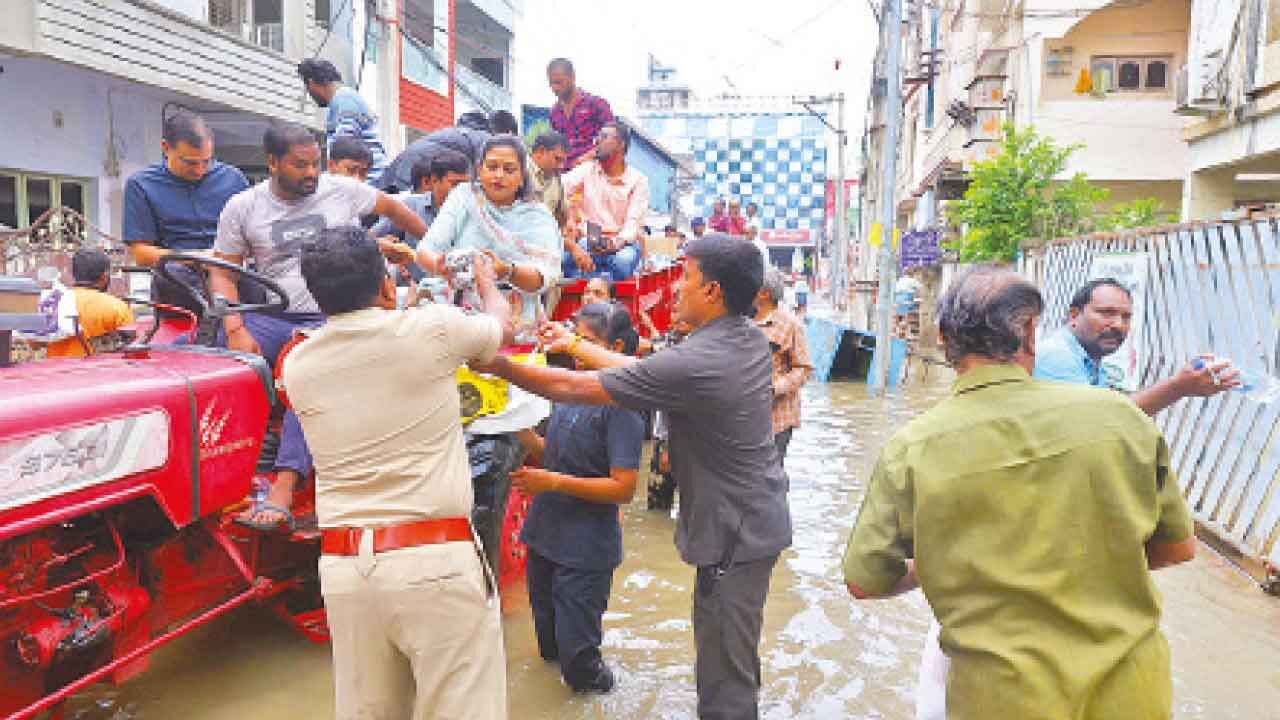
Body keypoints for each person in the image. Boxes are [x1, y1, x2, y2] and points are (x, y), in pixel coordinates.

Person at [842, 265, 1196, 720]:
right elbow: (1177, 547)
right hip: (1131, 694)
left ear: (945, 337)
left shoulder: (912, 447)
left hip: (1000, 698)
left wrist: (935, 566)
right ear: (1030, 331)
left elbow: (864, 581)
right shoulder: (1120, 417)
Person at [473, 234, 791, 719]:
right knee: (725, 657)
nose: (677, 288)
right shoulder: (743, 337)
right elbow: (645, 370)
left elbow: (573, 386)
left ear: (712, 291)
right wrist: (575, 343)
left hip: (735, 535)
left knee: (726, 677)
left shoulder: (701, 358)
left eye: (685, 276)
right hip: (747, 525)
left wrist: (497, 364)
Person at [283, 227, 513, 720]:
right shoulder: (432, 330)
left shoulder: (298, 364)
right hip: (436, 558)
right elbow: (500, 330)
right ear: (386, 286)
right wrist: (488, 282)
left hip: (346, 569)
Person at [212, 122, 424, 531]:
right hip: (272, 315)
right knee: (223, 359)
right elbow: (224, 274)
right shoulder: (242, 207)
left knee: (308, 373)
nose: (311, 173)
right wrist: (236, 325)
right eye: (299, 165)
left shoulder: (342, 190)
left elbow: (396, 210)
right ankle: (231, 474)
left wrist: (432, 253)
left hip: (335, 317)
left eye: (315, 164)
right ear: (272, 163)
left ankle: (285, 484)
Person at [514, 302, 645, 694]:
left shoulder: (621, 407)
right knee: (549, 648)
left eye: (585, 343)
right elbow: (552, 452)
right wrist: (516, 427)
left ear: (615, 347)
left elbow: (623, 488)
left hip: (585, 549)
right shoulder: (570, 392)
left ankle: (604, 699)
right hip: (544, 537)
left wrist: (553, 482)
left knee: (579, 663)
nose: (573, 351)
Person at [414, 136, 563, 324]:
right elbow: (425, 251)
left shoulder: (536, 215)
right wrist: (441, 266)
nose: (499, 175)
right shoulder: (464, 197)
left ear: (522, 177)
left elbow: (544, 278)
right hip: (458, 313)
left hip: (516, 317)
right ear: (479, 170)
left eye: (509, 170)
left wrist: (508, 272)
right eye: (492, 167)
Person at [1035, 278, 1235, 413]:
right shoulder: (1057, 355)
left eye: (1126, 317)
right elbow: (1099, 421)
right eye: (1106, 313)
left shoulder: (1091, 360)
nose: (1118, 325)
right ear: (1074, 315)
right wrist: (1178, 387)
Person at [123, 110, 248, 314]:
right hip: (177, 277)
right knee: (174, 273)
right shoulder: (142, 185)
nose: (199, 170)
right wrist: (197, 258)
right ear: (165, 148)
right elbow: (142, 253)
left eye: (206, 161)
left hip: (229, 269)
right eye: (190, 162)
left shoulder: (233, 180)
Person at [560, 123, 647, 281]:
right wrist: (569, 218)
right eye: (598, 137)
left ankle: (594, 284)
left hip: (622, 242)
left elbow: (633, 222)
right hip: (591, 238)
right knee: (568, 258)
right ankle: (598, 285)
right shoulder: (587, 170)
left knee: (622, 262)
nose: (597, 142)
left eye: (604, 137)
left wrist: (616, 243)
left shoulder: (638, 180)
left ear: (621, 145)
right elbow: (558, 188)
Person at [370, 150, 471, 285]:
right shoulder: (409, 207)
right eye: (455, 184)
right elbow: (370, 240)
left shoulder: (473, 212)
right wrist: (388, 247)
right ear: (434, 180)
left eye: (466, 185)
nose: (461, 191)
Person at [297, 58, 387, 185]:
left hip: (369, 181)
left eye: (307, 88)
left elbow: (345, 149)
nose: (309, 94)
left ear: (311, 83)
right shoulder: (341, 100)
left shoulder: (344, 98)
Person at [754, 269, 811, 464]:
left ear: (764, 293)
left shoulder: (790, 324)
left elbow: (803, 369)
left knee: (769, 478)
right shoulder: (741, 322)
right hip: (744, 418)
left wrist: (775, 388)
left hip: (776, 418)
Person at [45, 248, 135, 358]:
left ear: (74, 274)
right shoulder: (116, 307)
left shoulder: (52, 302)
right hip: (98, 373)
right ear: (105, 276)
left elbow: (35, 342)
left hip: (54, 371)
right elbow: (131, 348)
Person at [377, 118, 491, 193]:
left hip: (405, 161)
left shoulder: (455, 132)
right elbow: (484, 168)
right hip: (424, 165)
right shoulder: (484, 137)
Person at [547, 58, 615, 168]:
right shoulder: (554, 113)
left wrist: (585, 159)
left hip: (594, 170)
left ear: (573, 77)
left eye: (559, 82)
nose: (555, 88)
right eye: (551, 83)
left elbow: (612, 140)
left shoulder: (597, 105)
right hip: (565, 175)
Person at [529, 130, 569, 228]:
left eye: (563, 161)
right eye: (557, 159)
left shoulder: (556, 178)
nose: (561, 166)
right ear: (541, 151)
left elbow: (562, 216)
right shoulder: (518, 171)